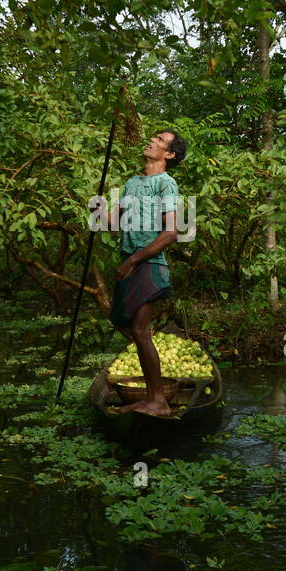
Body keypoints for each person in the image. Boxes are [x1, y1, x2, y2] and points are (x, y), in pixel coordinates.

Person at [109, 129, 187, 417]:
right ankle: (154, 397)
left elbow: (170, 234)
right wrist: (95, 209)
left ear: (169, 154)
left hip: (148, 265)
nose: (152, 140)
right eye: (153, 136)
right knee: (130, 327)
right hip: (129, 263)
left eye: (160, 140)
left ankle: (158, 402)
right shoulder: (132, 183)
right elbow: (113, 222)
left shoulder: (166, 184)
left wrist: (133, 261)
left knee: (141, 331)